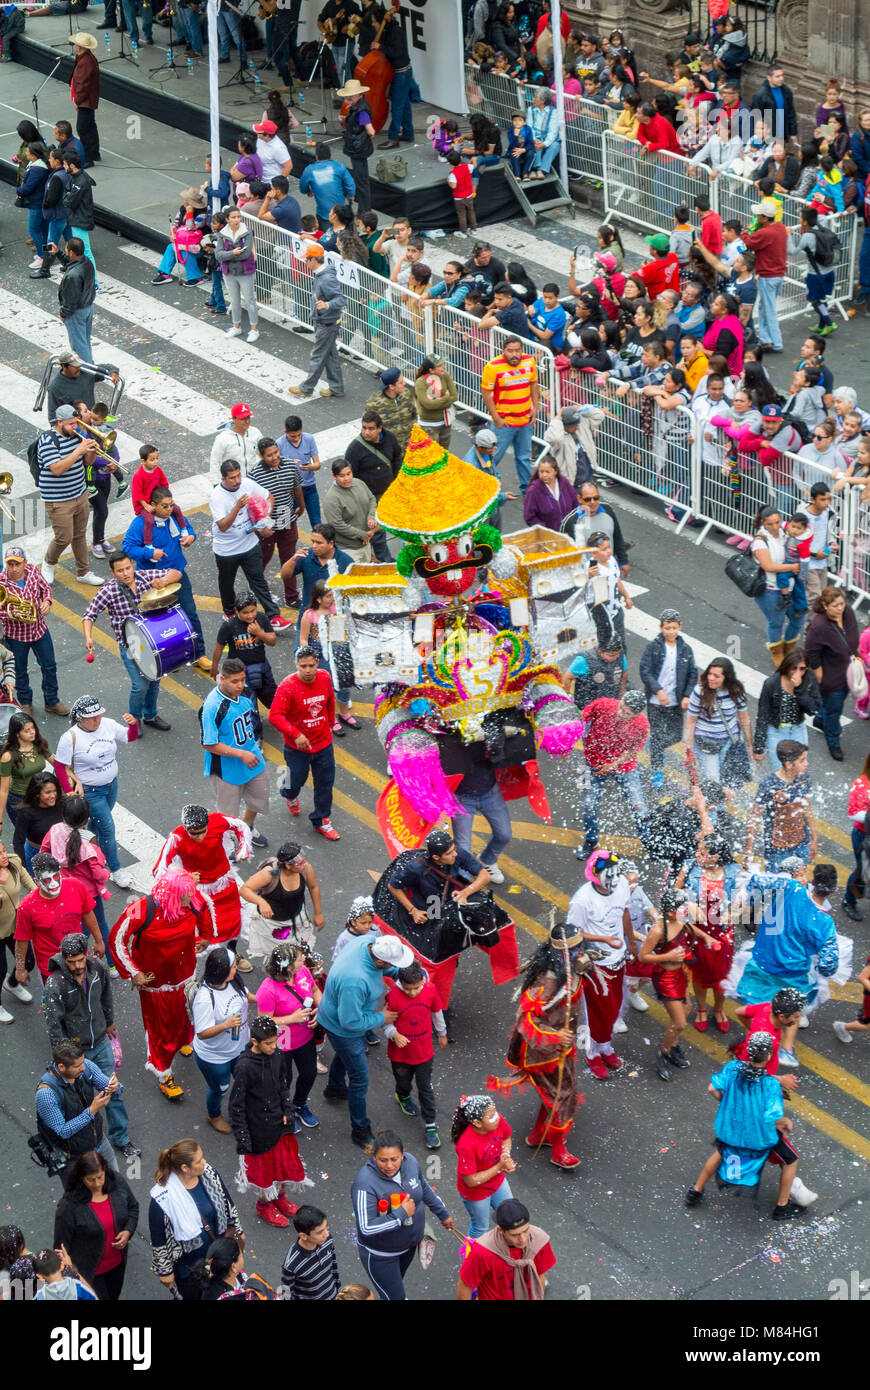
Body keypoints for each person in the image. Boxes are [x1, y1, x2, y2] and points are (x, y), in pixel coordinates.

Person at [500, 920, 591, 1167]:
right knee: (561, 1094)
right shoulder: (548, 981)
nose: (581, 954)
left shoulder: (572, 970)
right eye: (576, 950)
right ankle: (558, 1151)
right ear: (564, 954)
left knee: (555, 1093)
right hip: (543, 1052)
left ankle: (538, 1135)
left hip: (561, 1047)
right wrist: (556, 1036)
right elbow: (527, 1019)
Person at [42, 933, 138, 1159]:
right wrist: (64, 1059)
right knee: (79, 1101)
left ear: (86, 954)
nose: (77, 966)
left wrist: (109, 1020)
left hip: (101, 1044)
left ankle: (121, 1137)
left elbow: (106, 996)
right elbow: (54, 1026)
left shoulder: (99, 969)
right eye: (71, 962)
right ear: (63, 959)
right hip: (76, 1054)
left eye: (80, 960)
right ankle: (87, 1144)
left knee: (112, 1090)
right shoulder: (55, 984)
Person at [317, 934, 411, 1148]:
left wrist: (401, 972)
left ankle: (335, 1088)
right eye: (391, 964)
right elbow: (351, 1022)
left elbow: (385, 970)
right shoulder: (355, 981)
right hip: (343, 1028)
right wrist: (381, 1017)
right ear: (379, 960)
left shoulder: (367, 942)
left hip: (339, 1017)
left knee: (345, 1055)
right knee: (359, 1078)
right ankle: (360, 1130)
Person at [351, 1129, 454, 1300]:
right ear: (374, 1156)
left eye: (394, 1159)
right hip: (381, 1256)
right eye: (383, 1160)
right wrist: (401, 1214)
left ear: (403, 1154)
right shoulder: (364, 1183)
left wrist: (442, 1213)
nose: (389, 1166)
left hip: (407, 1248)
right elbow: (366, 1228)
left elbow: (423, 1187)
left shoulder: (411, 1162)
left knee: (396, 1288)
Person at [82, 555, 180, 733]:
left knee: (154, 681)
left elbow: (176, 572)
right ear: (112, 572)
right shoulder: (108, 591)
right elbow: (89, 615)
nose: (126, 573)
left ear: (132, 566)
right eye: (120, 570)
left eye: (128, 568)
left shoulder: (145, 576)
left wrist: (163, 581)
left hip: (152, 642)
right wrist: (88, 637)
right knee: (140, 686)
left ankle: (150, 715)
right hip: (130, 645)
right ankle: (134, 719)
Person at [229, 1014, 310, 1229]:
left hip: (280, 1125)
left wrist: (288, 1109)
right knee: (266, 1173)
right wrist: (243, 1138)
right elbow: (236, 1106)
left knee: (283, 1166)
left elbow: (283, 1085)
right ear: (254, 1042)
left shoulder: (277, 1055)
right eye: (268, 1043)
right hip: (259, 1130)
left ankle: (279, 1197)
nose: (274, 1047)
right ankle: (264, 1204)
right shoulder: (244, 1067)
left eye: (275, 1041)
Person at [53, 695, 139, 888]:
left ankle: (86, 852)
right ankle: (116, 870)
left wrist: (133, 724)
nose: (97, 720)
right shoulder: (70, 737)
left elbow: (130, 737)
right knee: (107, 828)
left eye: (99, 715)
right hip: (90, 792)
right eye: (92, 718)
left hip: (111, 786)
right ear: (80, 718)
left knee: (97, 826)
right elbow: (59, 766)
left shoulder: (107, 724)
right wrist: (69, 792)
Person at [121, 487, 209, 669]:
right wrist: (150, 553)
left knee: (190, 615)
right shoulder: (139, 524)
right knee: (162, 623)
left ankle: (199, 654)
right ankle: (172, 657)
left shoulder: (175, 517)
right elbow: (127, 547)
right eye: (164, 506)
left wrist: (191, 537)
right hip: (154, 583)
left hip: (177, 576)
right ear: (153, 505)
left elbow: (188, 529)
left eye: (171, 505)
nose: (169, 509)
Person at [149, 1139, 242, 1301]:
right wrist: (165, 1272)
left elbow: (228, 1204)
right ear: (185, 1168)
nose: (204, 1162)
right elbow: (158, 1238)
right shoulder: (163, 1197)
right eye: (199, 1161)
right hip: (189, 1269)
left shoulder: (209, 1173)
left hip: (219, 1259)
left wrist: (238, 1233)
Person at [567, 850, 633, 1078]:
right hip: (596, 965)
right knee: (597, 1013)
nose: (614, 880)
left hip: (619, 959)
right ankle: (592, 1053)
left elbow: (625, 913)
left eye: (616, 874)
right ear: (595, 875)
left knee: (614, 1008)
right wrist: (603, 939)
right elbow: (572, 933)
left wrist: (631, 943)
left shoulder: (622, 885)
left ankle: (605, 1047)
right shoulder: (582, 900)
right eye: (609, 876)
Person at [269, 645, 341, 840]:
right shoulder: (287, 686)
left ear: (317, 663)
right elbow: (275, 716)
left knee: (325, 784)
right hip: (297, 748)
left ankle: (321, 820)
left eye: (311, 665)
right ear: (296, 665)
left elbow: (330, 700)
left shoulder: (324, 677)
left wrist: (331, 722)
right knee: (296, 780)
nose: (308, 670)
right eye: (303, 666)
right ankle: (289, 794)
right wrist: (296, 734)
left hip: (323, 744)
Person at [200, 658, 269, 848]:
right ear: (222, 679)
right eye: (234, 681)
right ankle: (227, 843)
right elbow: (209, 744)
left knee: (259, 798)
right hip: (226, 768)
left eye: (242, 679)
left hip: (253, 758)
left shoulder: (245, 692)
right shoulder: (212, 707)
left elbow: (252, 720)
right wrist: (241, 754)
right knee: (227, 813)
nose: (240, 685)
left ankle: (247, 827)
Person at [53, 1149, 138, 1301]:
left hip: (117, 1264)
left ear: (105, 1170)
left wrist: (128, 1230)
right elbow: (61, 1247)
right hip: (89, 1273)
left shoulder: (117, 1182)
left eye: (100, 1177)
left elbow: (133, 1207)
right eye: (91, 1180)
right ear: (81, 1178)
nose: (97, 1184)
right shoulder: (69, 1206)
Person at [15, 850, 102, 992]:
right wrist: (20, 968)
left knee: (84, 996)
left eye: (56, 876)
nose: (54, 883)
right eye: (47, 880)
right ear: (37, 881)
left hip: (80, 960)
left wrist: (99, 940)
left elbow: (87, 912)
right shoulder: (27, 906)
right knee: (59, 1002)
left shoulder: (75, 886)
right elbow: (22, 940)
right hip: (51, 968)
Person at [36, 404, 104, 588]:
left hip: (79, 494)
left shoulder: (76, 435)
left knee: (79, 535)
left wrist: (91, 451)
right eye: (71, 424)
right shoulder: (47, 441)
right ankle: (48, 562)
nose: (76, 427)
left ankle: (84, 572)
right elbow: (57, 469)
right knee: (63, 537)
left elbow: (87, 463)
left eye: (76, 423)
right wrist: (79, 450)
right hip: (58, 500)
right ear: (60, 422)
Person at [255, 942, 322, 1127]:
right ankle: (284, 1111)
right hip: (282, 1043)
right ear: (289, 967)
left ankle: (300, 1104)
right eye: (299, 959)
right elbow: (264, 1022)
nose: (303, 960)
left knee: (309, 1074)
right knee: (284, 1081)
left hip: (305, 1038)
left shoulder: (304, 972)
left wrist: (320, 1008)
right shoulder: (267, 990)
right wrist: (291, 1018)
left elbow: (315, 990)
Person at [576, 691, 650, 858]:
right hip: (591, 763)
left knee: (639, 808)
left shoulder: (643, 725)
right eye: (621, 707)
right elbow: (579, 719)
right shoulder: (602, 704)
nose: (621, 713)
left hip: (624, 766)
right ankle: (590, 840)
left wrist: (612, 765)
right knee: (587, 806)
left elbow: (633, 751)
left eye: (627, 713)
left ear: (636, 714)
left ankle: (648, 841)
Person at [210, 460, 282, 627]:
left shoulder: (247, 484)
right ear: (223, 478)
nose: (237, 481)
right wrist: (237, 507)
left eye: (238, 476)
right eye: (232, 478)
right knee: (227, 583)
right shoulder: (217, 497)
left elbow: (269, 497)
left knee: (259, 581)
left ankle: (273, 616)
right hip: (227, 550)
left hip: (250, 544)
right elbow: (223, 526)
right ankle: (229, 612)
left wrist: (264, 521)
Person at [384, 960, 446, 1150]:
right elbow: (386, 1023)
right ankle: (402, 1096)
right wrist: (394, 1034)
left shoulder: (430, 990)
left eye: (416, 988)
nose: (412, 993)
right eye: (408, 989)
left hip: (424, 1053)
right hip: (400, 1055)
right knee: (403, 1082)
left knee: (425, 1088)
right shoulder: (393, 996)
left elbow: (436, 1012)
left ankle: (430, 1125)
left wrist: (442, 1033)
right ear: (400, 983)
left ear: (422, 981)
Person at [35, 1038, 121, 1174]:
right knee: (88, 1188)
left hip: (99, 1141)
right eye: (77, 1066)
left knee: (116, 1181)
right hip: (74, 1157)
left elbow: (111, 1088)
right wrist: (92, 1110)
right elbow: (62, 1131)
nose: (83, 1067)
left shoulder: (85, 1066)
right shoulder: (46, 1094)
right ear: (61, 1067)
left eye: (83, 1062)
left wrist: (115, 1086)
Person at [0, 550, 64, 719]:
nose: (14, 568)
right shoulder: (1, 582)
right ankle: (25, 702)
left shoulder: (33, 571)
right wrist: (11, 614)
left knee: (50, 667)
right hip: (16, 636)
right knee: (20, 671)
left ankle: (52, 701)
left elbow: (45, 588)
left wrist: (47, 601)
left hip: (39, 630)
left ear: (25, 563)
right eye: (10, 564)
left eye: (17, 564)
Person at [639, 609, 697, 786]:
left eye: (674, 628)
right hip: (656, 702)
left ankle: (654, 746)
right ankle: (657, 770)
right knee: (658, 734)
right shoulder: (653, 647)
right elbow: (645, 671)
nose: (671, 631)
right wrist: (658, 690)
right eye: (667, 628)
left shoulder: (686, 649)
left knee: (675, 736)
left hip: (676, 702)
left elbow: (693, 674)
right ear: (661, 628)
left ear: (680, 627)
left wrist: (687, 696)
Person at [457, 1198, 556, 1301]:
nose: (523, 1239)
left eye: (526, 1230)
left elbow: (540, 1275)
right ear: (500, 1230)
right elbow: (465, 1284)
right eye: (515, 1235)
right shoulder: (482, 1252)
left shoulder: (539, 1241)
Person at [242, 838, 325, 959]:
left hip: (297, 919)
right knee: (277, 958)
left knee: (298, 955)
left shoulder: (305, 869)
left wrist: (318, 913)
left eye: (303, 861)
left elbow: (313, 887)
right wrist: (261, 902)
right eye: (299, 863)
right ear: (288, 865)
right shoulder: (269, 873)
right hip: (272, 925)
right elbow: (245, 889)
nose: (304, 864)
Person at [805, 585, 860, 761]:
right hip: (832, 678)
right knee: (834, 711)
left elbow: (853, 636)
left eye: (842, 603)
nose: (840, 608)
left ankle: (820, 719)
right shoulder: (818, 627)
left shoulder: (848, 612)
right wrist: (821, 677)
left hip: (850, 671)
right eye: (835, 605)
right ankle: (833, 741)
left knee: (835, 704)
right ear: (825, 605)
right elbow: (812, 653)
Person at [451, 1094, 515, 1241]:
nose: (497, 1118)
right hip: (477, 1193)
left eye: (495, 1112)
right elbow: (471, 1180)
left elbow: (506, 1138)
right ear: (477, 1123)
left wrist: (505, 1155)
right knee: (480, 1228)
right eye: (491, 1116)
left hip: (498, 1182)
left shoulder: (497, 1121)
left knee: (510, 1216)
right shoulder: (466, 1144)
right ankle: (472, 1254)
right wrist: (499, 1167)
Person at [288, 243, 346, 400]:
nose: (305, 262)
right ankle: (337, 388)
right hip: (327, 321)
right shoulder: (323, 275)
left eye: (306, 259)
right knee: (330, 356)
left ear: (314, 260)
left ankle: (307, 388)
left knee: (318, 356)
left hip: (326, 323)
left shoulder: (326, 278)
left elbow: (341, 299)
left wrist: (327, 305)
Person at [481, 336, 539, 494]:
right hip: (504, 423)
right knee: (493, 457)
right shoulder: (492, 366)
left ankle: (527, 490)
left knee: (524, 458)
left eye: (517, 350)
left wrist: (535, 408)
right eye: (510, 351)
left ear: (522, 350)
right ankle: (482, 486)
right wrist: (496, 418)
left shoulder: (529, 361)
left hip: (525, 421)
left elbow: (533, 383)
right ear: (503, 351)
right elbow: (486, 393)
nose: (514, 354)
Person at [684, 657, 754, 785]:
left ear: (726, 678)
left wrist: (750, 744)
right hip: (705, 742)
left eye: (716, 676)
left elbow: (744, 718)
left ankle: (711, 798)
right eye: (710, 674)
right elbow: (691, 721)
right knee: (713, 782)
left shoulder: (736, 691)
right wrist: (688, 747)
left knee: (726, 782)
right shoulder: (700, 691)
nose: (711, 678)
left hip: (729, 741)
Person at [753, 647, 820, 770]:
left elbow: (813, 709)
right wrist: (758, 747)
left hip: (798, 729)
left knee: (799, 769)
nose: (798, 672)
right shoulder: (772, 683)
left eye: (802, 668)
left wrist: (799, 689)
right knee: (780, 770)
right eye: (794, 668)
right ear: (787, 666)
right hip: (776, 731)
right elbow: (763, 715)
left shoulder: (809, 679)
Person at [212, 593, 278, 711]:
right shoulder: (229, 626)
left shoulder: (261, 618)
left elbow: (272, 641)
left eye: (253, 611)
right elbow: (218, 648)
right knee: (248, 706)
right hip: (240, 672)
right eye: (245, 613)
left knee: (274, 701)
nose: (250, 615)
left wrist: (260, 633)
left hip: (262, 667)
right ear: (237, 611)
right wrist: (214, 668)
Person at [743, 201, 788, 353]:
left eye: (758, 215)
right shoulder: (780, 227)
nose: (756, 217)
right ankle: (765, 339)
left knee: (769, 310)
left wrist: (746, 231)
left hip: (768, 276)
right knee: (764, 307)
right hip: (778, 274)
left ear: (764, 218)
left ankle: (776, 342)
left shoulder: (765, 233)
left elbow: (749, 242)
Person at [0, 839, 35, 1024]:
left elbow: (26, 878)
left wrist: (38, 894)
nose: (4, 856)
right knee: (0, 970)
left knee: (28, 962)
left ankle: (12, 984)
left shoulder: (14, 861)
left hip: (16, 927)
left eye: (4, 851)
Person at [215, 204, 259, 343]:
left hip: (245, 271)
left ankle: (254, 329)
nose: (237, 220)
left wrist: (228, 255)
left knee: (250, 300)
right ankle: (236, 326)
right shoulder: (222, 234)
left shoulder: (247, 232)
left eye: (238, 217)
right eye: (233, 217)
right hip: (229, 272)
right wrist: (233, 253)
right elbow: (218, 255)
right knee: (234, 300)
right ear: (227, 219)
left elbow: (246, 253)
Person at [281, 1205, 341, 1300]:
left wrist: (337, 1289)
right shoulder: (291, 1265)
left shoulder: (327, 1240)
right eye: (320, 1232)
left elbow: (333, 1266)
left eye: (326, 1227)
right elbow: (284, 1294)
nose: (326, 1234)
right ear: (303, 1236)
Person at [375, 4, 415, 148]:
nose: (373, 24)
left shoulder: (395, 32)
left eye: (374, 22)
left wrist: (380, 47)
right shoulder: (388, 30)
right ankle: (408, 133)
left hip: (401, 73)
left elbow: (396, 52)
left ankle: (393, 138)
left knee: (397, 106)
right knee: (404, 103)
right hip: (402, 72)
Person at [323, 461, 378, 562]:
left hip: (365, 543)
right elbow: (337, 524)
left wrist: (371, 516)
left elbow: (372, 499)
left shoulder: (359, 483)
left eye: (349, 474)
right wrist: (362, 534)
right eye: (342, 476)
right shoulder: (331, 499)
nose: (347, 478)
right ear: (334, 476)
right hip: (348, 550)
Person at [11, 772, 64, 877]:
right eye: (48, 792)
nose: (53, 795)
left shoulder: (61, 803)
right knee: (40, 885)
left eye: (55, 791)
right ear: (37, 794)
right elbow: (18, 842)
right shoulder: (26, 811)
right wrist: (23, 869)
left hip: (59, 851)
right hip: (36, 854)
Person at [339, 78, 375, 214]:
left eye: (350, 97)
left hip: (358, 149)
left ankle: (365, 211)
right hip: (357, 147)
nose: (347, 100)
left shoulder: (362, 111)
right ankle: (363, 209)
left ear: (358, 95)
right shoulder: (357, 107)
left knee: (362, 181)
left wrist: (362, 138)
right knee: (361, 180)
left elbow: (371, 131)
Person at [843, 752, 870, 923]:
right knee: (862, 870)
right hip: (864, 836)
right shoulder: (862, 784)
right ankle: (849, 900)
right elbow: (853, 813)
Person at [363, 369, 417, 455]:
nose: (404, 384)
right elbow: (367, 431)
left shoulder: (406, 393)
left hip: (410, 449)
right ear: (391, 386)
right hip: (390, 452)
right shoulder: (374, 404)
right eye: (401, 382)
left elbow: (414, 414)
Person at [523, 459, 578, 531]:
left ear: (555, 472)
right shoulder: (533, 491)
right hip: (548, 534)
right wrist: (545, 529)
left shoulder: (564, 482)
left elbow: (576, 502)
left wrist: (573, 521)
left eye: (547, 472)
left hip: (568, 530)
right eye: (541, 471)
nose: (544, 475)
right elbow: (529, 517)